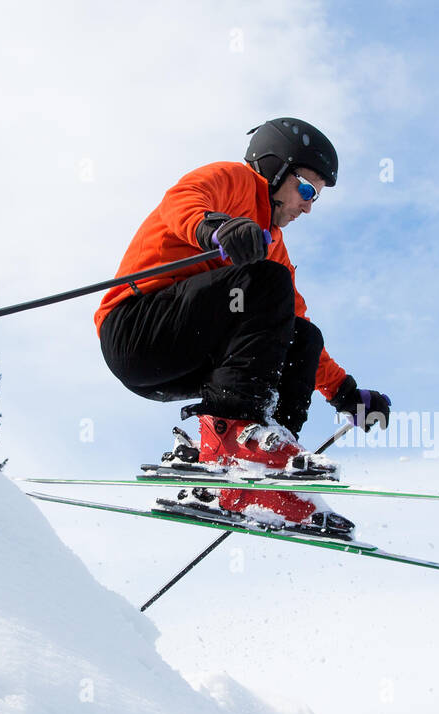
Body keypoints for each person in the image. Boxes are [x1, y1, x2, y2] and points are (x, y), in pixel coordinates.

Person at [93, 117, 390, 530]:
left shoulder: (273, 244)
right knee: (268, 282)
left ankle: (266, 474)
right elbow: (181, 201)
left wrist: (344, 393)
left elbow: (291, 324)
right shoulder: (233, 180)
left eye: (315, 198)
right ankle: (232, 445)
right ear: (274, 170)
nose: (307, 205)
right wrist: (214, 227)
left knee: (302, 337)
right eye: (305, 190)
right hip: (137, 329)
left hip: (183, 356)